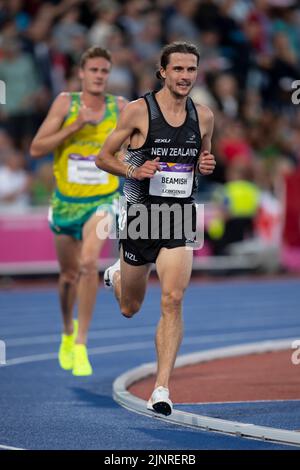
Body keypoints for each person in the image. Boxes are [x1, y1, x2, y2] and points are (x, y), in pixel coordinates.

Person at [96, 42, 216, 415]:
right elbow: (103, 157)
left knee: (173, 299)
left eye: (191, 70)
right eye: (177, 69)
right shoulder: (138, 111)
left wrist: (207, 164)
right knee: (130, 307)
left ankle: (161, 388)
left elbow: (204, 156)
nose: (185, 76)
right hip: (139, 218)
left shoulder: (205, 115)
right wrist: (133, 170)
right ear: (163, 72)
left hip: (179, 217)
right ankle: (116, 276)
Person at [30, 46, 127, 376]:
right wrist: (75, 126)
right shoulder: (65, 103)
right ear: (81, 74)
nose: (100, 76)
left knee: (89, 263)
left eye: (105, 71)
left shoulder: (120, 107)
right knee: (68, 276)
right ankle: (67, 332)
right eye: (94, 70)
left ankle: (83, 343)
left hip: (103, 201)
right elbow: (36, 148)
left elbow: (136, 148)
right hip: (65, 204)